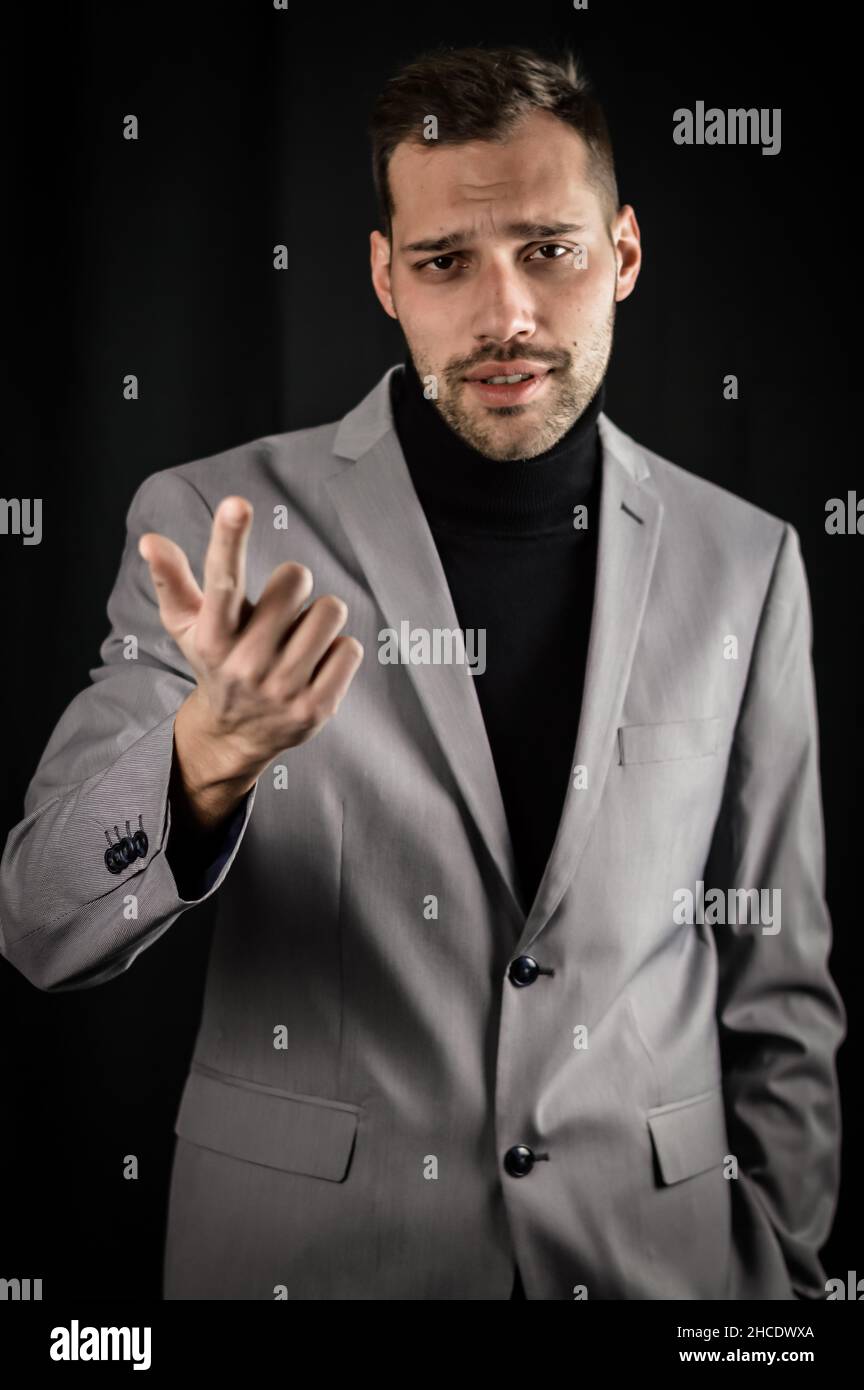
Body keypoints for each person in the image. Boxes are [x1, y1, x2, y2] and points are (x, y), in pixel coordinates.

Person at [0, 45, 845, 1300]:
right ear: (389, 278)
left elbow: (779, 980)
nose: (504, 313)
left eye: (548, 251)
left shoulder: (749, 561)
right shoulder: (215, 520)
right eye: (448, 262)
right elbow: (36, 921)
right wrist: (202, 763)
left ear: (621, 254)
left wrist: (781, 1273)